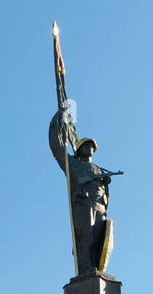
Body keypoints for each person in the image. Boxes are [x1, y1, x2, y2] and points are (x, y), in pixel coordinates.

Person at [48, 112, 120, 275]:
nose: (90, 148)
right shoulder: (72, 164)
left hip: (100, 209)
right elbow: (57, 148)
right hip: (84, 205)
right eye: (86, 145)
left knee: (99, 242)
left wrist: (105, 184)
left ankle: (95, 269)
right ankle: (85, 270)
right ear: (79, 149)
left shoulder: (99, 169)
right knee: (85, 238)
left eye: (91, 146)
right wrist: (58, 123)